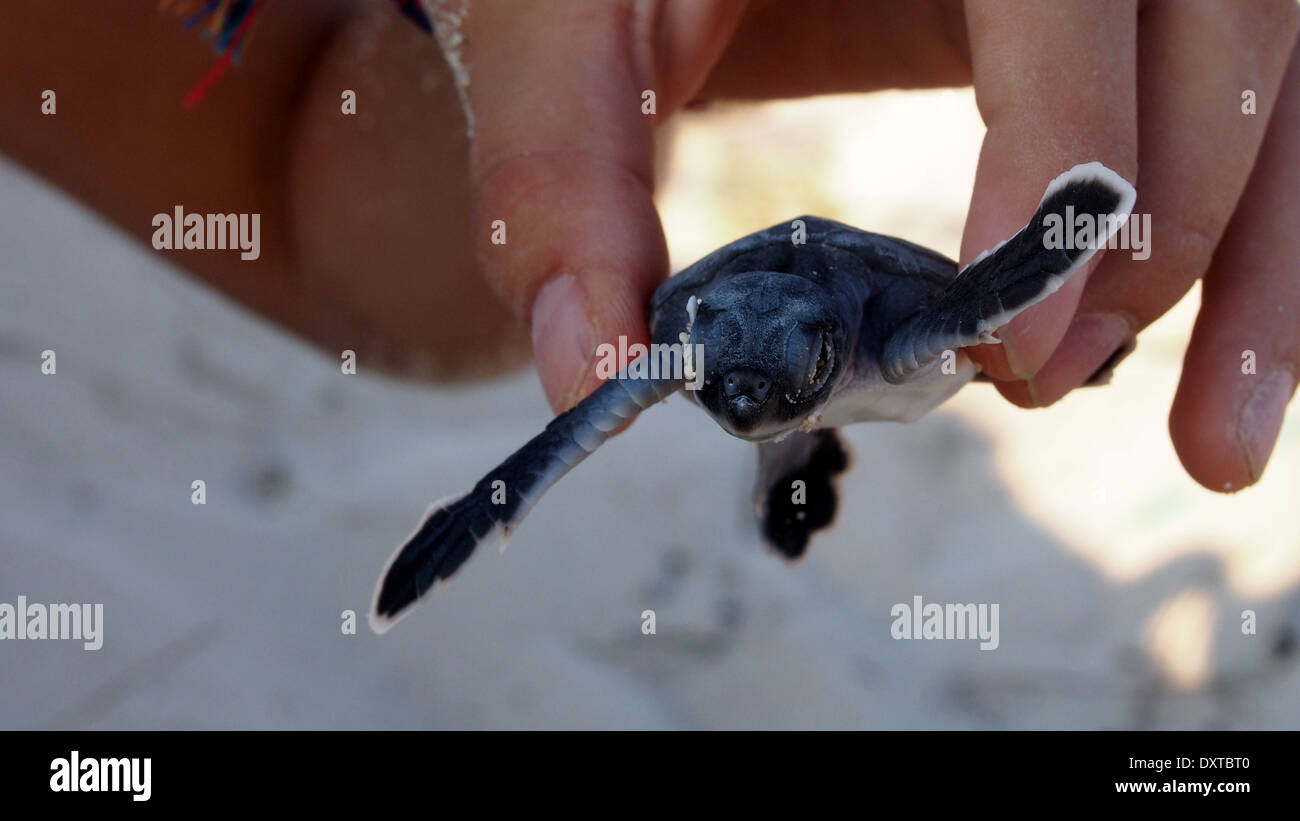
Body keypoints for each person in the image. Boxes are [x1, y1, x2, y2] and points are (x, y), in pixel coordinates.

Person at [1, 0, 1296, 493]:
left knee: (1011, 324)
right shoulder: (699, 347)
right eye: (714, 382)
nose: (710, 392)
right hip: (802, 324)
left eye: (745, 389)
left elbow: (303, 166)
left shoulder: (800, 338)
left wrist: (479, 49)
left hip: (881, 311)